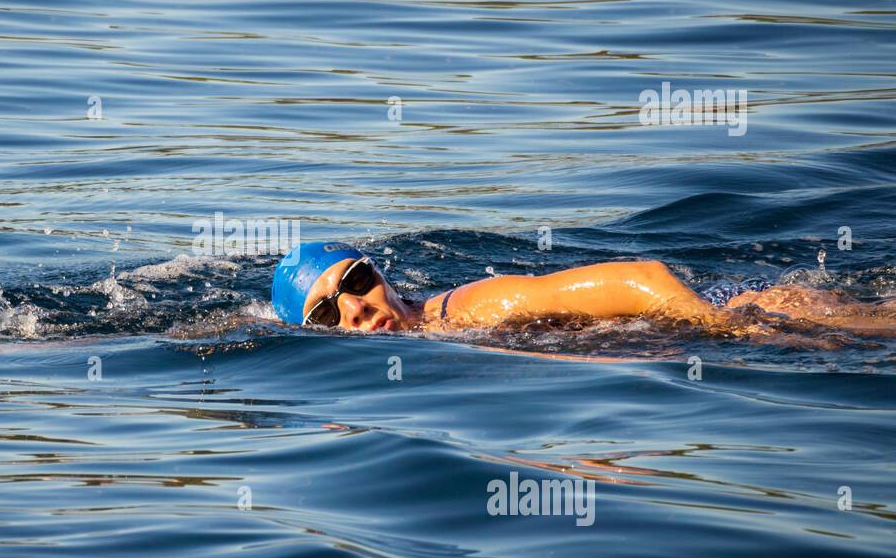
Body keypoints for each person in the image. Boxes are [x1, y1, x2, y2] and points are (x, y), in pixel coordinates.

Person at [270, 241, 896, 334]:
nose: (354, 307)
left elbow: (641, 278)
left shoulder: (467, 310)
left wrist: (728, 329)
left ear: (384, 275)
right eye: (325, 313)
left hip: (765, 316)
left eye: (355, 279)